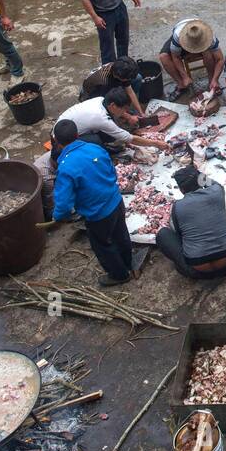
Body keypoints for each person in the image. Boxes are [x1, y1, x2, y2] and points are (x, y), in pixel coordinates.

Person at [51, 119, 135, 287]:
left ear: (57, 143)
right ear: (77, 135)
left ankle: (119, 275)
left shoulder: (66, 167)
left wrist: (58, 217)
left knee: (103, 245)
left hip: (98, 214)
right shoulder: (95, 148)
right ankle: (128, 263)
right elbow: (111, 170)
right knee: (121, 234)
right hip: (116, 201)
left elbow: (64, 202)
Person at [156, 165, 226, 279]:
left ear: (181, 190)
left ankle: (186, 270)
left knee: (163, 234)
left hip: (198, 270)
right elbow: (211, 182)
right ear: (200, 181)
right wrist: (199, 175)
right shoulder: (218, 191)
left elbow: (178, 233)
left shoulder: (178, 206)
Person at [56, 89, 168, 153]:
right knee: (96, 141)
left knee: (112, 133)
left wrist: (128, 117)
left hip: (69, 125)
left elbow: (118, 123)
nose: (125, 111)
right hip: (62, 136)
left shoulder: (101, 100)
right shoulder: (100, 117)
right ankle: (102, 153)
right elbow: (129, 138)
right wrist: (156, 143)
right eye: (124, 109)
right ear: (113, 105)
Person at [159, 17, 225, 98]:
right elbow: (176, 57)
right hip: (182, 42)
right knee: (163, 57)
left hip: (200, 40)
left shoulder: (209, 37)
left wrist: (215, 78)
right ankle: (182, 84)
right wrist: (185, 76)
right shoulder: (178, 35)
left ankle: (212, 82)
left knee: (208, 53)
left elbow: (220, 59)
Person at [80, 57, 154, 117]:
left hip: (111, 83)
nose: (129, 80)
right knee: (106, 109)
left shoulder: (121, 68)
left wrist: (141, 112)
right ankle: (119, 111)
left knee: (138, 78)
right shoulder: (104, 82)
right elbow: (108, 104)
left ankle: (124, 105)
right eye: (127, 79)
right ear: (118, 76)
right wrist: (128, 117)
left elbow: (130, 91)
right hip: (92, 94)